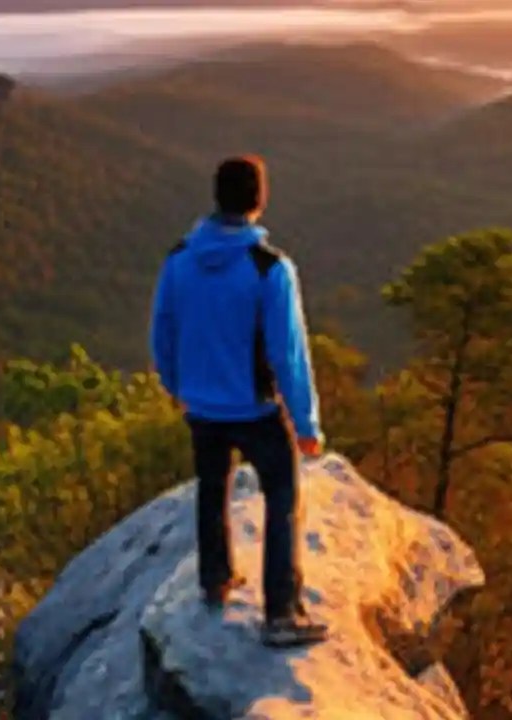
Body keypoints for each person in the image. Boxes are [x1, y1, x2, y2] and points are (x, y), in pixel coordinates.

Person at [149, 155, 329, 648]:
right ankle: (281, 612)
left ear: (216, 196)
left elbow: (161, 333)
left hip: (202, 407)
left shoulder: (179, 259)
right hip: (254, 409)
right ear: (259, 198)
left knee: (212, 491)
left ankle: (215, 579)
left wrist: (177, 387)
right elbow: (289, 353)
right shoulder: (269, 269)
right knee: (283, 498)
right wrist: (308, 422)